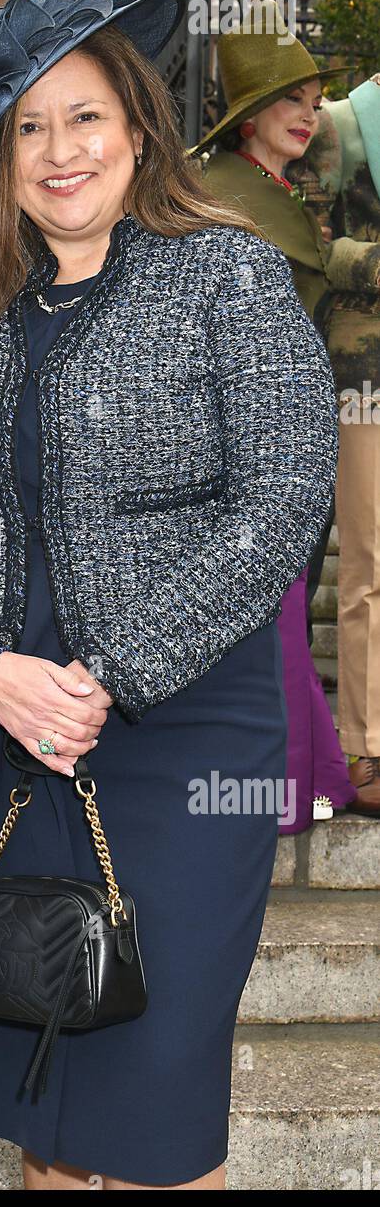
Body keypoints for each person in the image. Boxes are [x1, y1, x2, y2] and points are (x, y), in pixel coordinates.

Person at [0, 0, 338, 1191]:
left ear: (136, 126)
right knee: (42, 1106)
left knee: (148, 1108)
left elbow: (283, 500)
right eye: (25, 127)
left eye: (82, 117)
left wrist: (112, 671)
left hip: (182, 740)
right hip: (4, 728)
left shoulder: (225, 280)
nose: (58, 150)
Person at [190, 0, 357, 832]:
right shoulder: (225, 193)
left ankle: (307, 777)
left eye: (315, 97)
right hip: (244, 450)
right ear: (251, 116)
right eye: (292, 99)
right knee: (271, 614)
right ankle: (287, 785)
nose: (309, 112)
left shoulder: (270, 189)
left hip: (287, 439)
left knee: (282, 609)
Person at [287, 75, 380, 816]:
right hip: (361, 375)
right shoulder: (341, 124)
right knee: (370, 563)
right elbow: (306, 243)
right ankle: (368, 742)